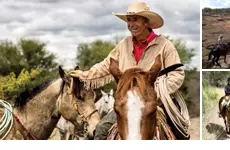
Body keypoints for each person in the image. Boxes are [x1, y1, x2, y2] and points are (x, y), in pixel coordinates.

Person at [68, 2, 190, 140]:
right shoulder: (124, 44)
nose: (131, 24)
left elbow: (177, 74)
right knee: (101, 129)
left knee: (180, 133)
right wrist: (83, 75)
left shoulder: (165, 45)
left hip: (156, 102)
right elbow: (105, 65)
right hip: (127, 102)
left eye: (135, 19)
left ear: (146, 22)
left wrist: (155, 92)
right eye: (129, 20)